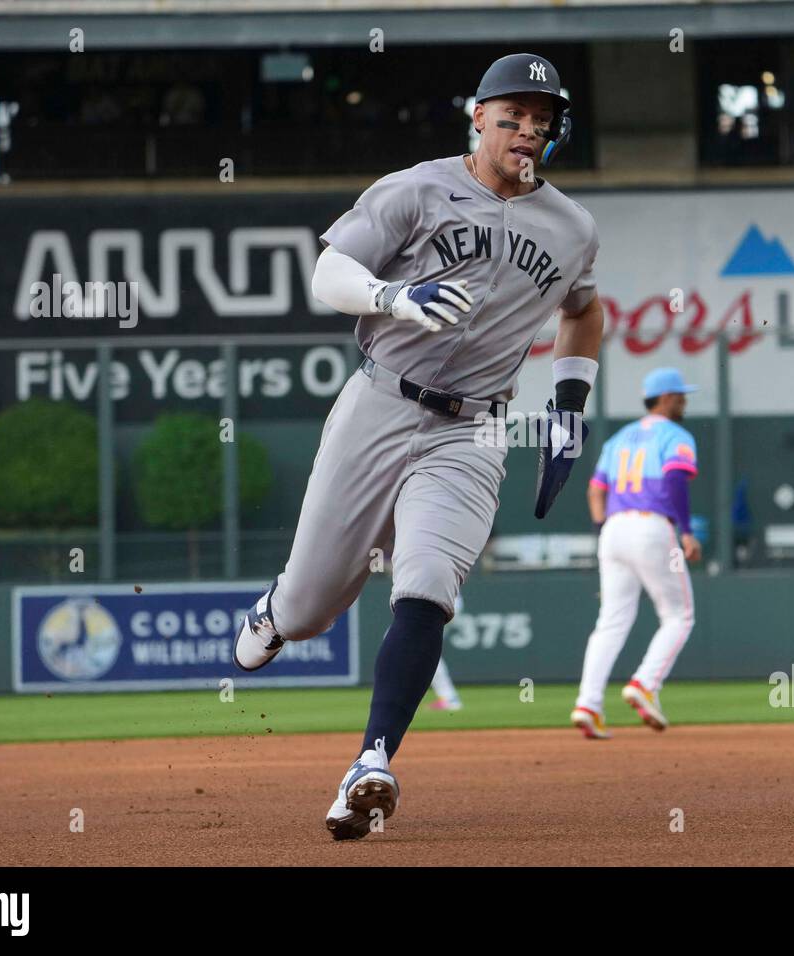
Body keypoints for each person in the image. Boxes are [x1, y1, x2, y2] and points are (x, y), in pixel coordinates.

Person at [232, 53, 603, 840]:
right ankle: (277, 605)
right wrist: (393, 296)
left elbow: (583, 311)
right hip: (380, 402)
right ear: (477, 116)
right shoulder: (417, 188)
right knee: (310, 606)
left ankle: (370, 763)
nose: (528, 131)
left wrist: (569, 406)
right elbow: (328, 272)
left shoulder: (572, 228)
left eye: (542, 120)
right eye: (513, 116)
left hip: (474, 427)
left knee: (427, 585)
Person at [571, 368, 699, 739]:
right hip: (651, 526)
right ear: (666, 397)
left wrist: (605, 534)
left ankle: (588, 704)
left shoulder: (619, 438)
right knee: (679, 615)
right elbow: (675, 479)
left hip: (612, 529)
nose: (684, 401)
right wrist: (686, 530)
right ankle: (644, 683)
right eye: (680, 395)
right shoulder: (675, 435)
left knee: (610, 621)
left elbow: (595, 491)